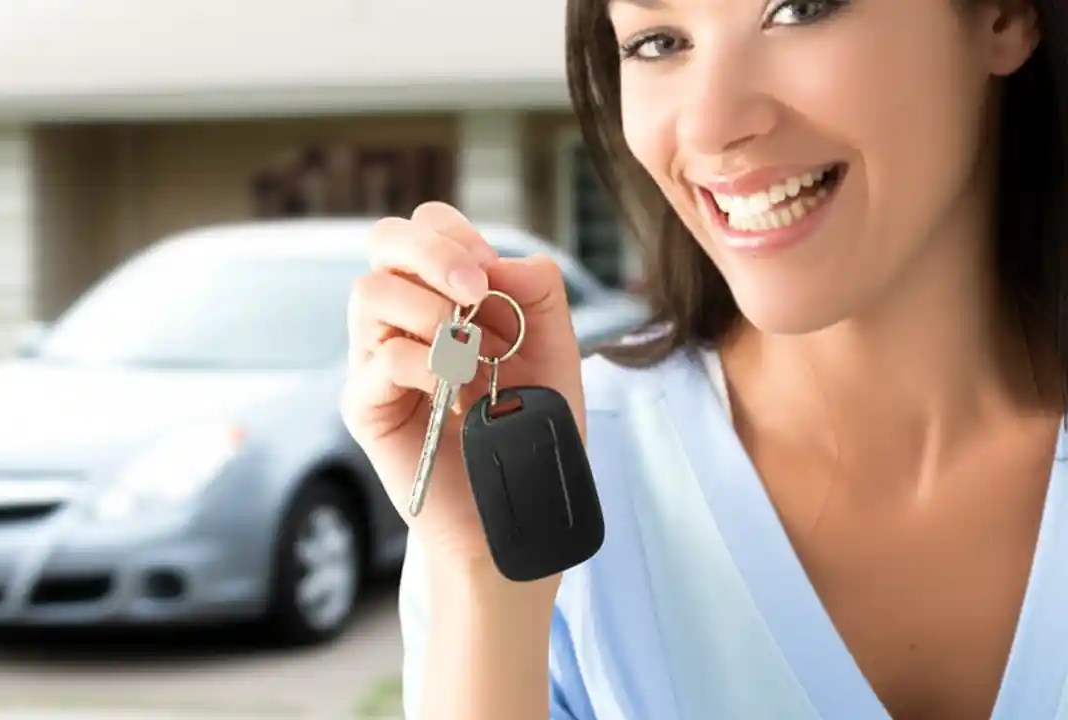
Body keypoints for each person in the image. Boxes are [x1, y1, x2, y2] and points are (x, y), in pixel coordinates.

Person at [340, 0, 1058, 717]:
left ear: (1004, 17)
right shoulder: (554, 476)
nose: (711, 125)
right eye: (658, 42)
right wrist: (488, 587)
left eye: (800, 9)